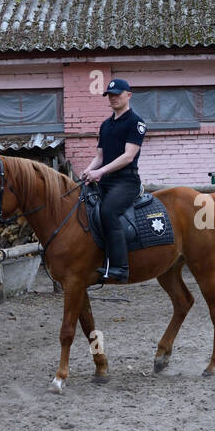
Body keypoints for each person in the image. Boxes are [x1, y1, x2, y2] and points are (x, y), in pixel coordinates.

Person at [82, 78, 146, 283]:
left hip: (126, 181)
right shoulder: (106, 125)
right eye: (110, 95)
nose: (113, 98)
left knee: (108, 211)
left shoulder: (136, 122)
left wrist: (100, 172)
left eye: (117, 94)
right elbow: (99, 156)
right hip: (106, 180)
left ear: (128, 95)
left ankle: (120, 266)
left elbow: (128, 156)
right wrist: (88, 170)